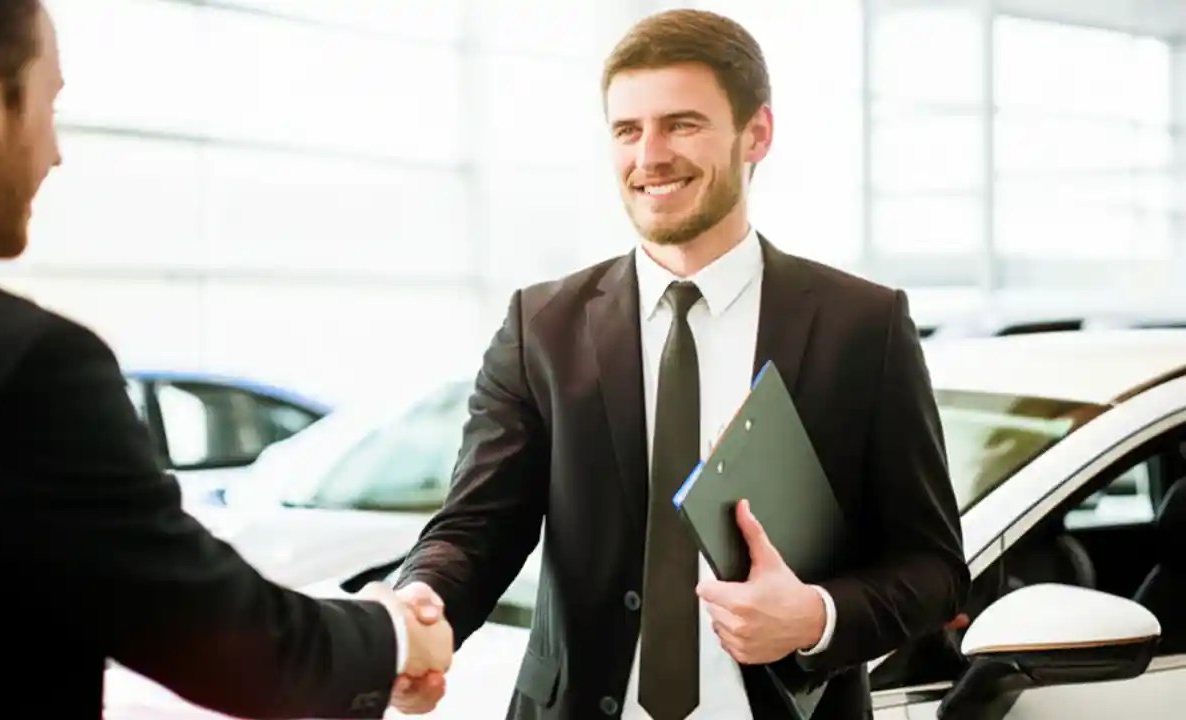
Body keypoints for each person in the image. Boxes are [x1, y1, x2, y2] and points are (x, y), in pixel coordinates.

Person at [389, 9, 969, 719]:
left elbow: (934, 568)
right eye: (627, 130)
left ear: (757, 133)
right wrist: (420, 605)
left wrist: (815, 617)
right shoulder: (540, 327)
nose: (650, 155)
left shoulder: (861, 326)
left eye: (682, 124)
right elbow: (475, 529)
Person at [0, 2, 450, 717]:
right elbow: (215, 632)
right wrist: (397, 637)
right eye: (51, 104)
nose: (55, 151)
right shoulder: (25, 367)